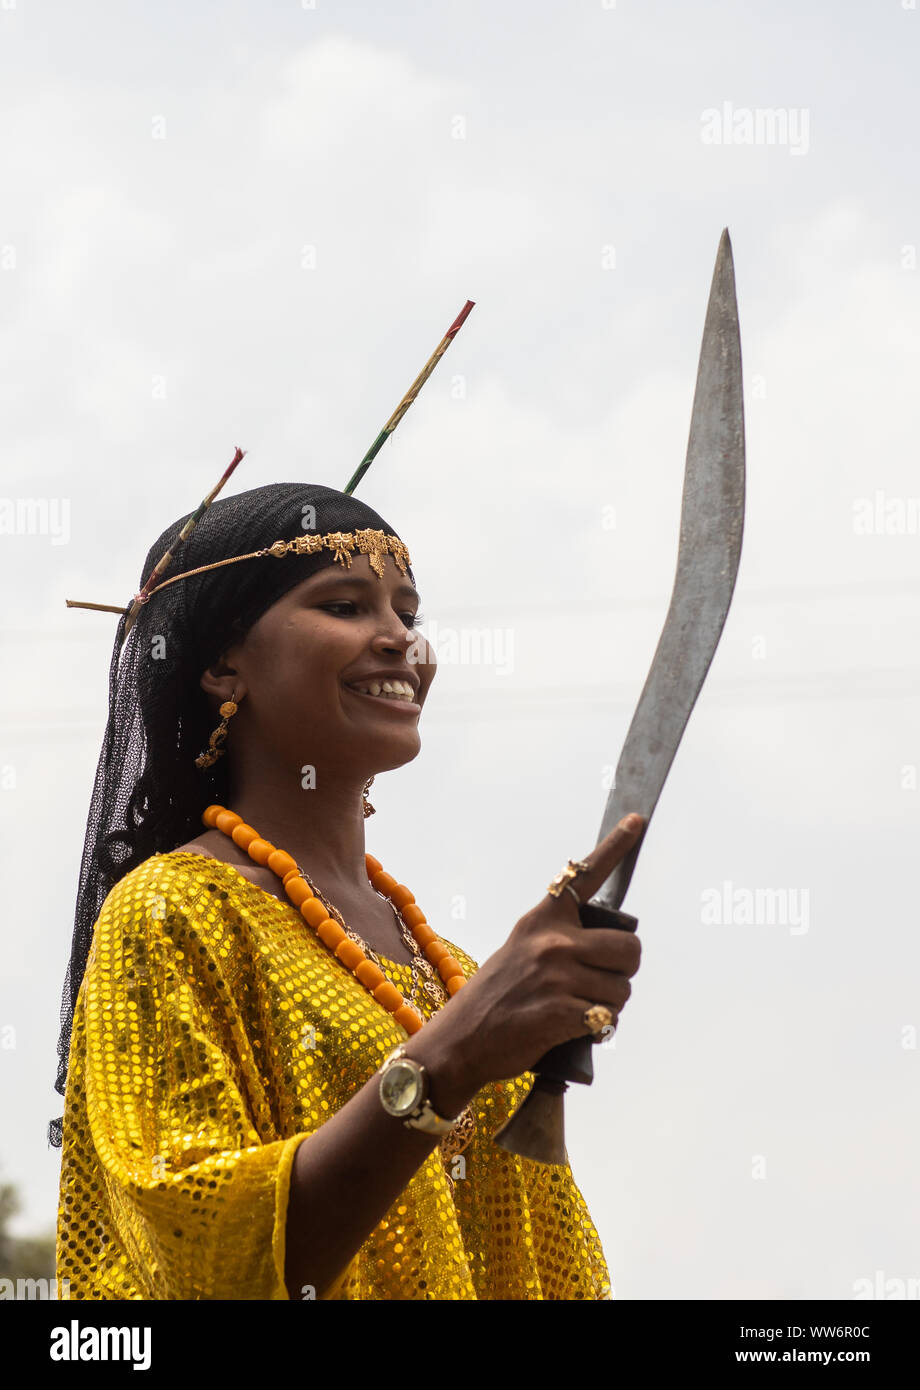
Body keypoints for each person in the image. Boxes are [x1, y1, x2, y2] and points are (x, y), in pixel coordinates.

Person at [52, 480, 645, 1299]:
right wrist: (455, 1052)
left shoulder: (460, 975)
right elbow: (204, 1267)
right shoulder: (173, 913)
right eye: (344, 606)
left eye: (409, 613)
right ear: (224, 664)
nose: (400, 639)